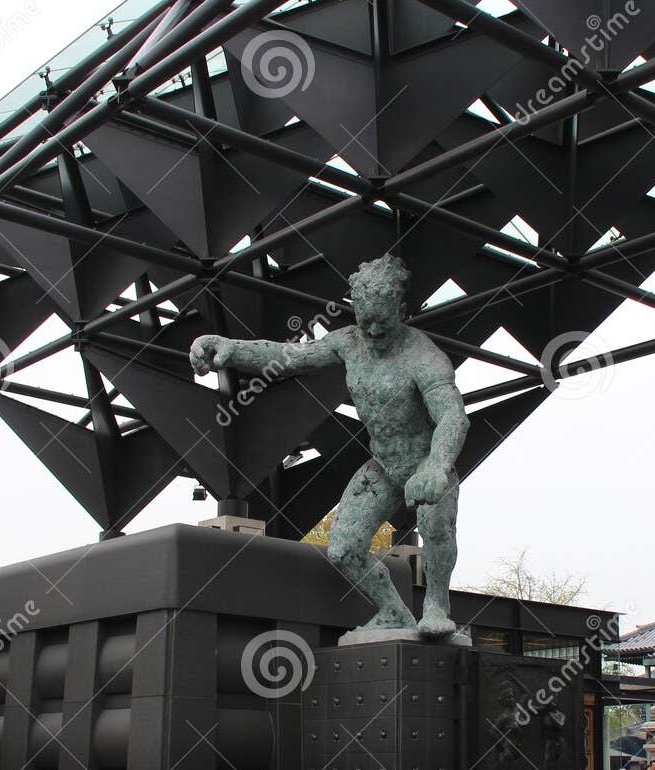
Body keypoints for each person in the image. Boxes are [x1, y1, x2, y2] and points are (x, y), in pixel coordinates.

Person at [191, 255, 469, 642]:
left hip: (426, 462)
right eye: (365, 321)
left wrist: (438, 465)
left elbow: (453, 416)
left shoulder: (424, 357)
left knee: (436, 525)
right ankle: (393, 612)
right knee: (343, 549)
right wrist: (230, 348)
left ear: (401, 311)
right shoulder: (348, 343)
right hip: (383, 466)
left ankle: (437, 605)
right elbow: (290, 358)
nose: (373, 331)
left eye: (382, 322)